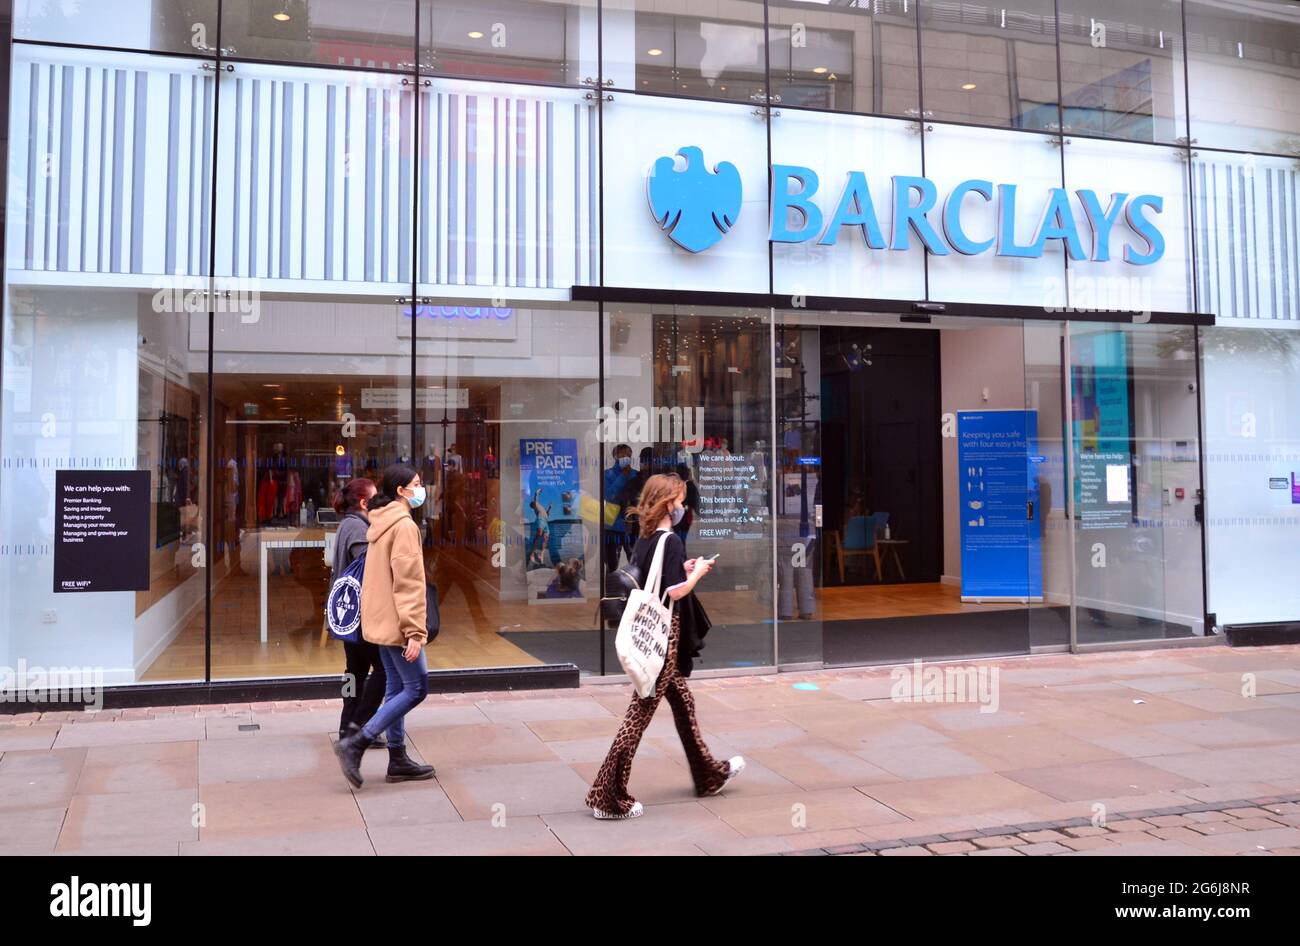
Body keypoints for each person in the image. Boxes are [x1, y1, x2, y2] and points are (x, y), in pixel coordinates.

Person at [585, 473, 745, 820]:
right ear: (666, 503)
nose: (683, 507)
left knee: (683, 702)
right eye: (679, 501)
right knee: (637, 717)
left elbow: (657, 578)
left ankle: (709, 775)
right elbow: (674, 592)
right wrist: (698, 572)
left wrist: (683, 568)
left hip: (653, 633)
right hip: (663, 637)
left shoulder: (647, 538)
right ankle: (607, 797)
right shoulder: (670, 540)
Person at [333, 464, 435, 788]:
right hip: (398, 624)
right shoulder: (404, 526)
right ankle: (357, 742)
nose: (422, 489)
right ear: (402, 491)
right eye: (417, 484)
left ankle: (398, 757)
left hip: (379, 622)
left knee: (394, 688)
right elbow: (408, 583)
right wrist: (415, 632)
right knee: (417, 688)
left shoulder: (378, 524)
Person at [332, 477, 388, 748]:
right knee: (383, 670)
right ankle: (359, 728)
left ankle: (346, 726)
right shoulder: (357, 527)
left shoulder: (347, 523)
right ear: (365, 502)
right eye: (375, 498)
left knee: (354, 672)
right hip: (362, 615)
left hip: (348, 615)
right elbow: (368, 566)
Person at [602, 444, 636, 574]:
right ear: (615, 456)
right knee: (611, 564)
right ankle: (611, 591)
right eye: (622, 454)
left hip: (631, 525)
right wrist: (623, 476)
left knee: (634, 561)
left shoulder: (635, 475)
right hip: (611, 525)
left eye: (628, 454)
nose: (625, 457)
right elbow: (609, 496)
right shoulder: (607, 475)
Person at [673, 462, 700, 553]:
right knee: (683, 533)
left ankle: (678, 548)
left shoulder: (673, 484)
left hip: (675, 515)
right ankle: (682, 549)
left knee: (678, 532)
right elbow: (696, 502)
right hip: (686, 516)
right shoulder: (690, 486)